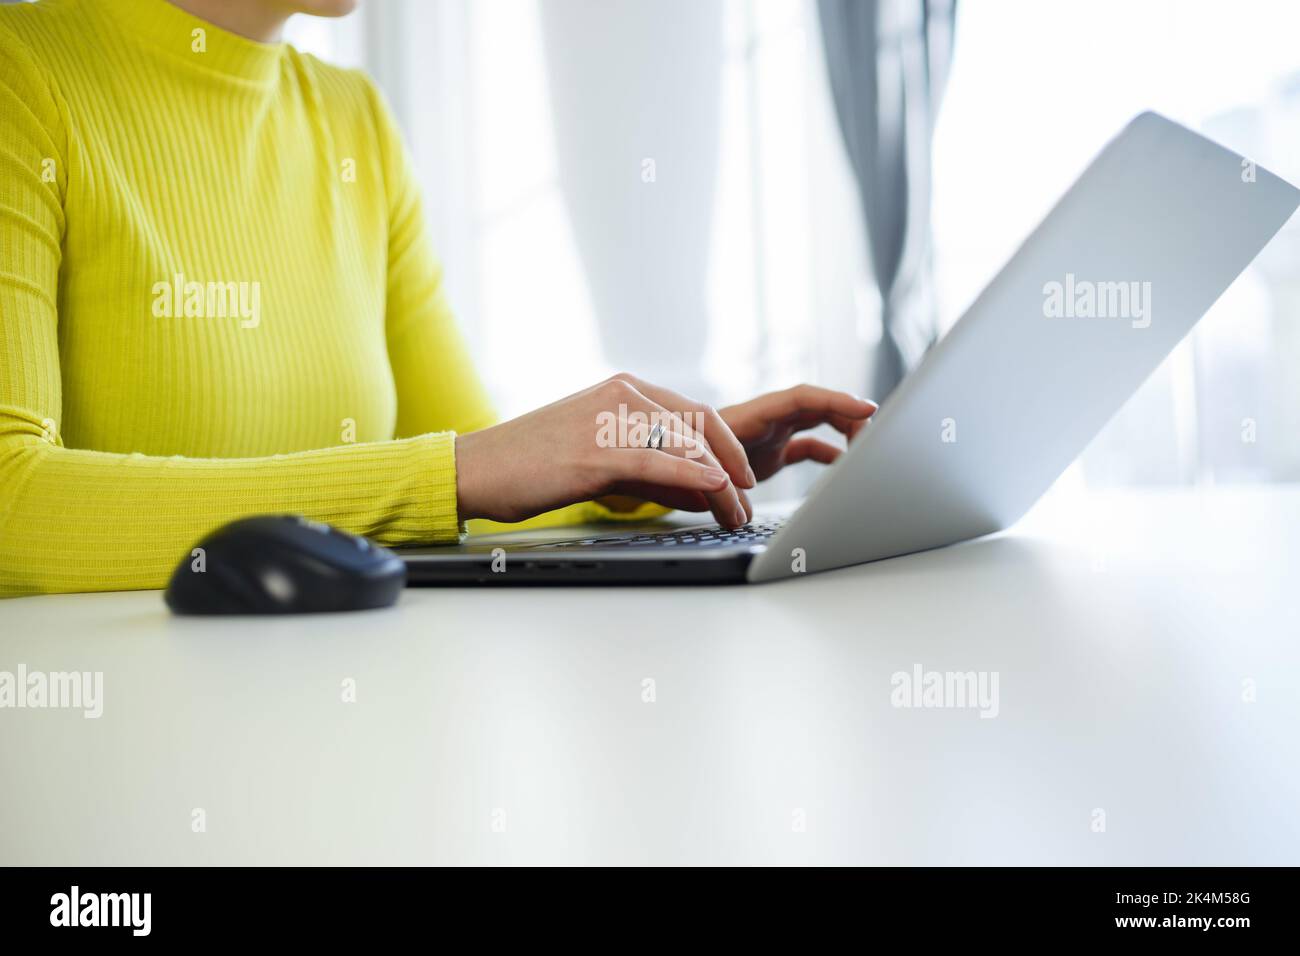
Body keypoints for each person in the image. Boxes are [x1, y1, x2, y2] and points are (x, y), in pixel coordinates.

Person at [0, 0, 876, 597]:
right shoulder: (22, 73)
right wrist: (452, 472)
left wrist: (650, 471)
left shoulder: (355, 124)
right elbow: (12, 503)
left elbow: (492, 483)